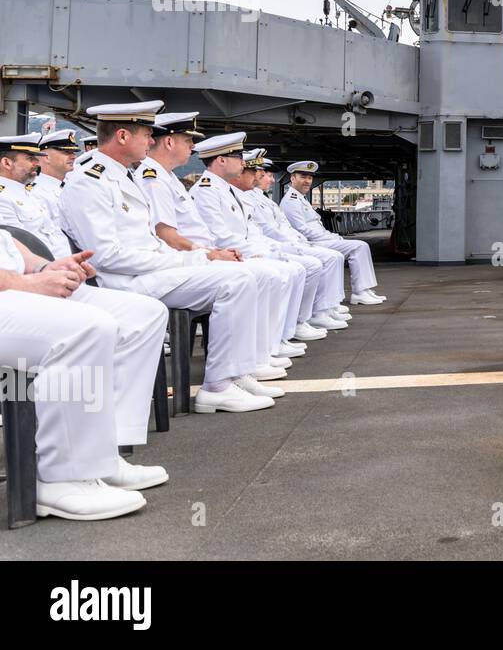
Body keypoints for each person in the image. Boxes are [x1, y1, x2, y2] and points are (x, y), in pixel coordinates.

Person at [60, 101, 275, 414]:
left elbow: (147, 240)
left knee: (242, 275)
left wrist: (200, 257)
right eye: (147, 134)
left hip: (147, 272)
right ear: (122, 136)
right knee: (238, 280)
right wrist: (186, 261)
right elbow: (106, 256)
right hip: (123, 282)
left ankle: (234, 373)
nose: (151, 141)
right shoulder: (89, 180)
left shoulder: (122, 175)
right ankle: (217, 387)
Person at [0, 229, 170, 520]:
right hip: (10, 290)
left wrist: (43, 267)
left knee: (144, 315)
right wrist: (25, 283)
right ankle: (60, 476)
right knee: (87, 326)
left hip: (15, 284)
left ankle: (104, 455)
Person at [137, 114, 316, 378]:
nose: (192, 147)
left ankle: (255, 358)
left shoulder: (172, 178)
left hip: (195, 256)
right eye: (188, 140)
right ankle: (227, 377)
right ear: (170, 142)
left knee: (270, 273)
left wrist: (213, 253)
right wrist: (211, 254)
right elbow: (167, 234)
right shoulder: (158, 178)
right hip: (173, 263)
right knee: (254, 277)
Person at [190, 132, 316, 374]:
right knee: (267, 275)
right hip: (220, 255)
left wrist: (266, 250)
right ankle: (244, 362)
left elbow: (247, 232)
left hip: (231, 253)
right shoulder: (206, 190)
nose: (244, 164)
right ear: (221, 161)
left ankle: (264, 350)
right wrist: (263, 252)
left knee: (282, 271)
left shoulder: (225, 190)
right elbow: (221, 237)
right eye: (238, 157)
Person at [244, 151, 350, 329]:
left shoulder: (263, 199)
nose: (270, 179)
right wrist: (292, 243)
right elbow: (267, 230)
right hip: (266, 248)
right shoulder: (249, 197)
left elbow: (284, 227)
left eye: (268, 174)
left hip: (280, 244)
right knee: (316, 263)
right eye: (265, 174)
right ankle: (304, 318)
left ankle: (320, 310)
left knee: (329, 258)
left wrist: (298, 240)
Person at [279, 161, 386, 305]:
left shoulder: (300, 199)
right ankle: (359, 292)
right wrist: (331, 237)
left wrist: (331, 237)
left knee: (361, 246)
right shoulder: (290, 201)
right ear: (293, 178)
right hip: (312, 242)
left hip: (321, 239)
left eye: (309, 178)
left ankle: (363, 290)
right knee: (358, 247)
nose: (307, 181)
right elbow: (302, 229)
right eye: (303, 177)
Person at [31, 129, 79, 219]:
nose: (73, 156)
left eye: (73, 152)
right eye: (67, 152)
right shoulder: (36, 192)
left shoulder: (68, 187)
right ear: (46, 157)